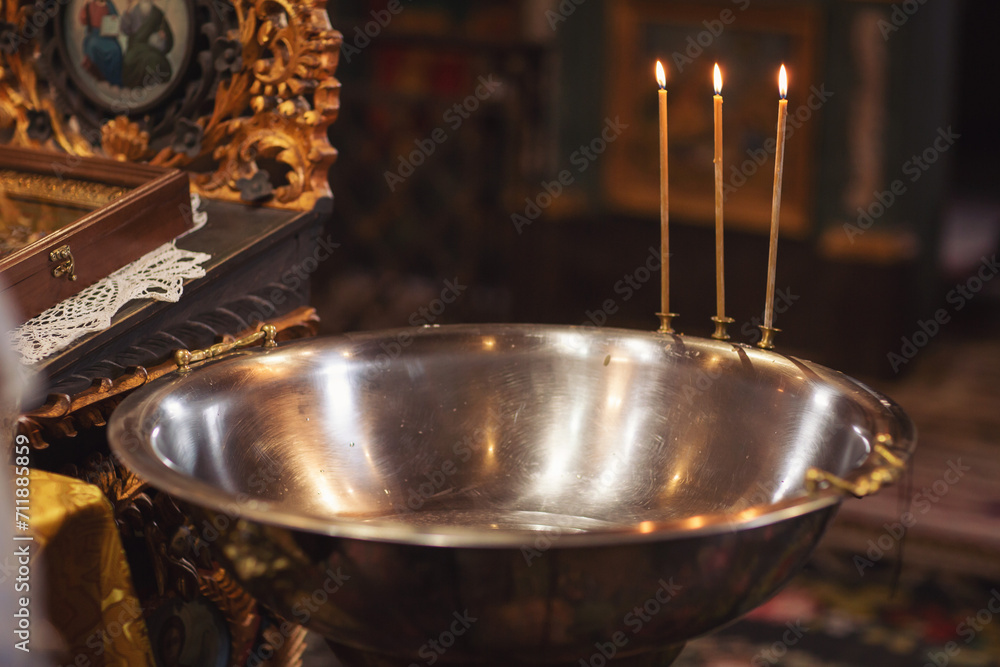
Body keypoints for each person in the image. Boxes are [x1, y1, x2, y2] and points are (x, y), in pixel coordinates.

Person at [120, 0, 173, 89]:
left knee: (154, 58)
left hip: (151, 48)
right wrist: (127, 14)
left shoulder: (157, 14)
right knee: (129, 61)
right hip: (135, 47)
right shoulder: (134, 12)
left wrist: (163, 36)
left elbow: (166, 33)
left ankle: (152, 83)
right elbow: (126, 30)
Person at [78, 0, 124, 86]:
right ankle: (98, 78)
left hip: (107, 36)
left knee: (116, 49)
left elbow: (116, 19)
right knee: (93, 46)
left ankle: (114, 79)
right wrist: (84, 6)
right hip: (94, 35)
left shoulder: (109, 5)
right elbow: (83, 20)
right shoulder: (90, 5)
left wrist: (114, 19)